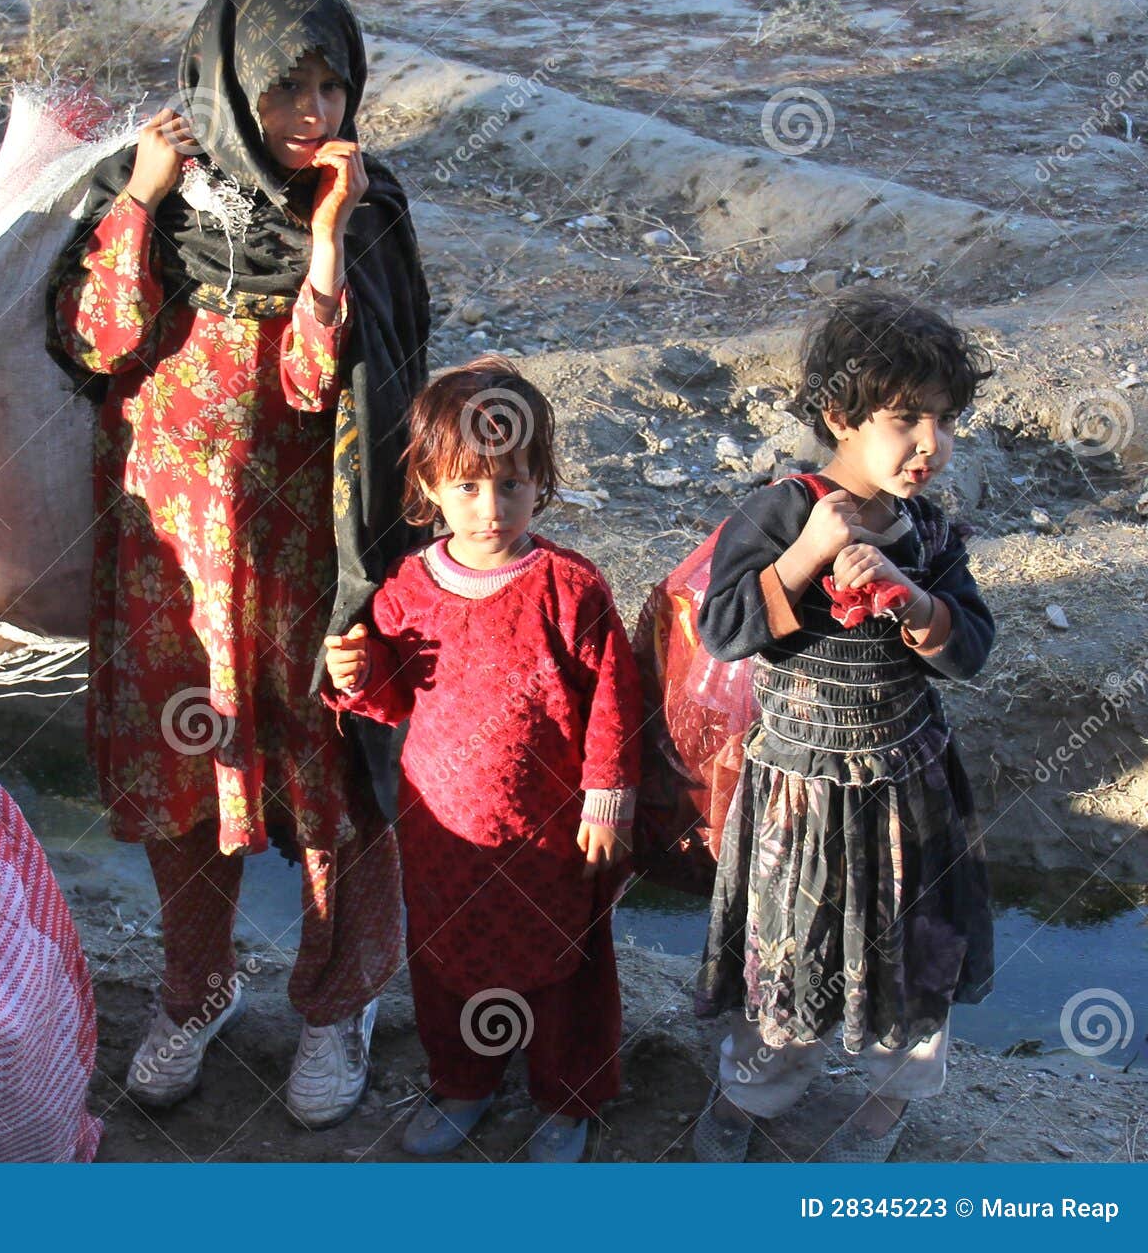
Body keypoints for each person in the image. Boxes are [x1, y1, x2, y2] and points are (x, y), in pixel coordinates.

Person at [48, 0, 429, 1126]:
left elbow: (331, 392)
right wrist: (137, 202)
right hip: (167, 570)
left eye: (331, 86)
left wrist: (322, 244)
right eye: (286, 90)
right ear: (226, 84)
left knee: (328, 796)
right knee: (181, 787)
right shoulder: (149, 190)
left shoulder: (364, 209)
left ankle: (336, 1004)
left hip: (297, 572)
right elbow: (98, 343)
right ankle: (196, 988)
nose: (315, 116)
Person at [691, 287, 996, 1163]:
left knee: (916, 951)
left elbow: (969, 646)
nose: (930, 444)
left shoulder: (932, 535)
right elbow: (724, 628)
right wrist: (805, 556)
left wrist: (916, 604)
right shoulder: (777, 511)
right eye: (906, 419)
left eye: (942, 419)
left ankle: (891, 1099)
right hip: (798, 790)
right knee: (787, 949)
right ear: (840, 415)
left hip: (908, 794)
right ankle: (756, 1089)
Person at [323, 358, 640, 1162]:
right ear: (428, 484)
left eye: (511, 484)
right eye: (466, 486)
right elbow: (394, 696)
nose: (489, 508)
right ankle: (463, 1081)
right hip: (443, 835)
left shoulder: (571, 588)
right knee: (446, 962)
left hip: (554, 837)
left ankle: (566, 1099)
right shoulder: (408, 588)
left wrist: (606, 798)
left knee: (563, 966)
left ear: (543, 480)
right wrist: (354, 673)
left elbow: (614, 698)